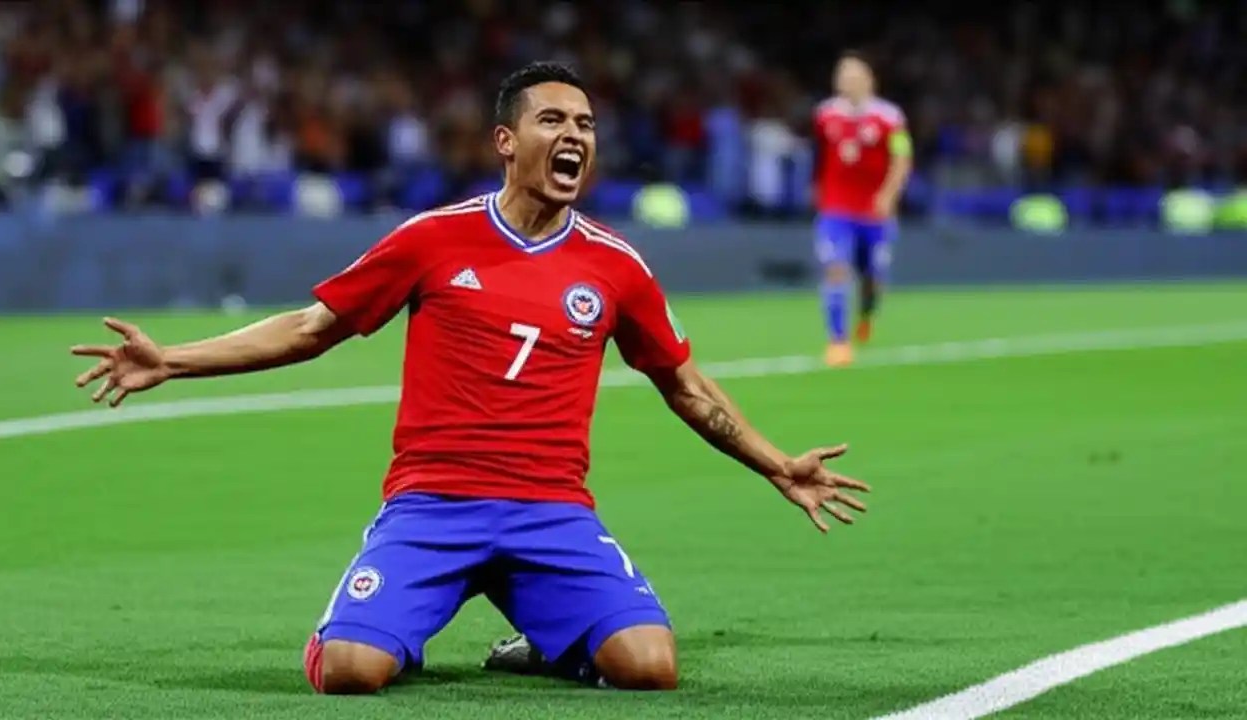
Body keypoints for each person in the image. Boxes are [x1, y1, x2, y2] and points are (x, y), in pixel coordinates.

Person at [70, 61, 870, 694]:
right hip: (432, 507)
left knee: (651, 667)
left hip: (551, 514)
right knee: (351, 673)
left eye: (586, 125)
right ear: (506, 141)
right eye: (553, 120)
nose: (575, 137)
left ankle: (541, 640)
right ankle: (383, 626)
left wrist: (778, 466)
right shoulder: (432, 240)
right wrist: (171, 360)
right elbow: (312, 329)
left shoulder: (616, 267)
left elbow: (687, 388)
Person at [812, 51, 913, 366]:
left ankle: (867, 313)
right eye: (842, 75)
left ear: (869, 80)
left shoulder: (890, 118)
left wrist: (889, 195)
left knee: (871, 278)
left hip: (874, 211)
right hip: (836, 209)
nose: (847, 81)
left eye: (854, 75)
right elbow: (820, 158)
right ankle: (838, 340)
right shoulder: (825, 115)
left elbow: (902, 158)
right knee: (836, 268)